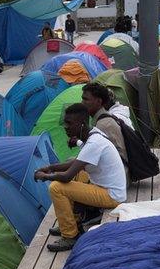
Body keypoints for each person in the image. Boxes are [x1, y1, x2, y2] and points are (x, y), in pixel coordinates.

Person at [35, 103, 126, 251]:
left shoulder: (94, 143)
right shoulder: (93, 135)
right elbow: (75, 163)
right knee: (76, 166)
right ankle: (72, 221)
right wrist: (50, 167)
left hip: (112, 196)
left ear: (82, 124)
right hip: (106, 187)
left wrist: (44, 175)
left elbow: (66, 176)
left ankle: (70, 235)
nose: (65, 127)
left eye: (69, 123)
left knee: (56, 187)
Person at [81, 82, 127, 163]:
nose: (82, 103)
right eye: (82, 99)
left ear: (99, 101)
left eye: (86, 99)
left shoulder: (103, 125)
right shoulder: (102, 119)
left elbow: (90, 156)